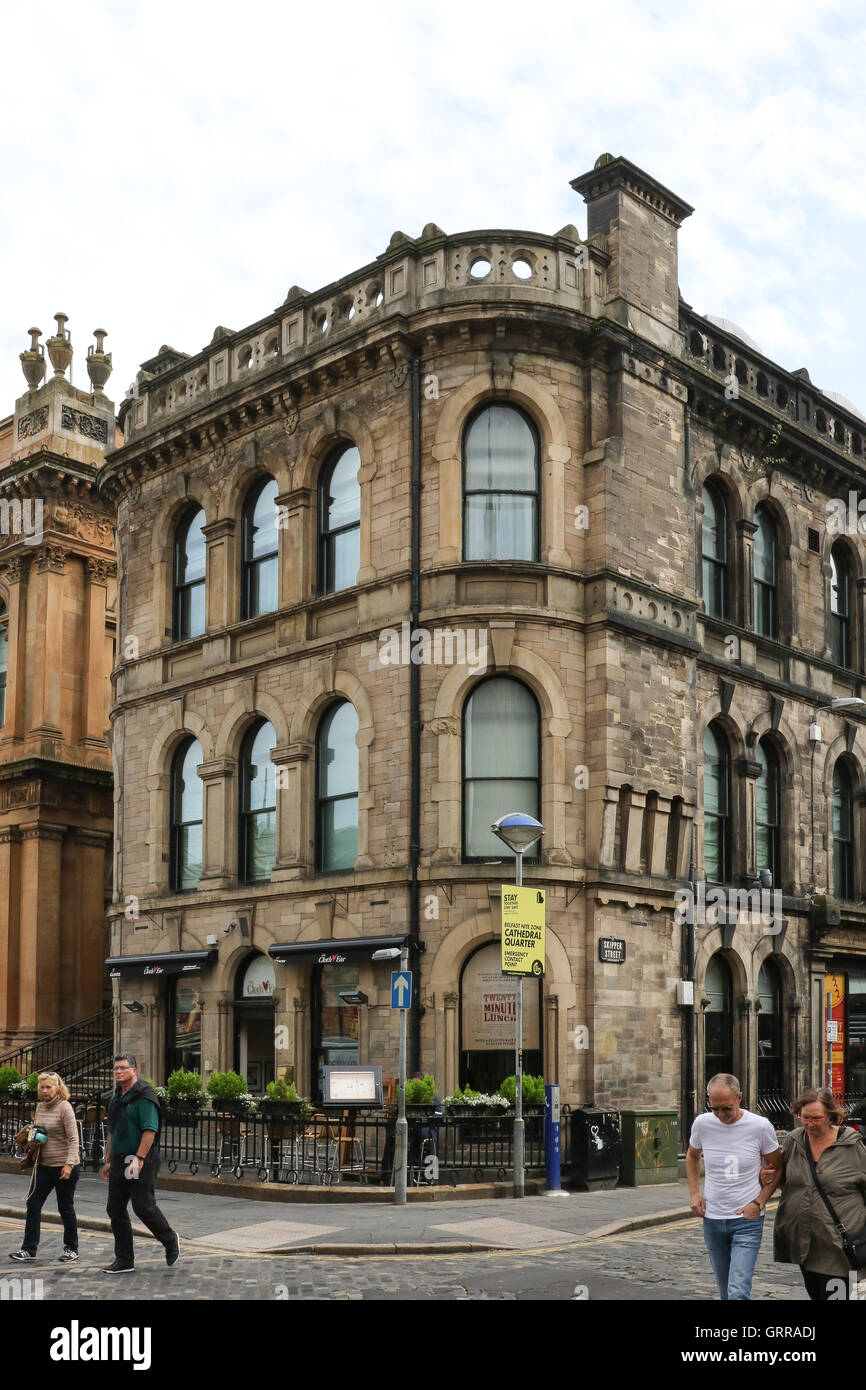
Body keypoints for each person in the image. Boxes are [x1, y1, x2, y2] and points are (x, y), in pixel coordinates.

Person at [760, 1087, 866, 1301]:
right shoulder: (794, 1141)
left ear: (831, 1115)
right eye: (804, 1118)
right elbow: (789, 1182)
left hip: (839, 1246)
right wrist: (768, 1178)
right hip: (806, 1242)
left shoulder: (851, 1145)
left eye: (816, 1118)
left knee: (837, 1297)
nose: (809, 1124)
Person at [685, 1072, 782, 1300]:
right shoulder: (702, 1124)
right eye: (714, 1108)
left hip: (746, 1221)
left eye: (726, 1108)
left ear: (739, 1098)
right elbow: (692, 1156)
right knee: (725, 1292)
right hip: (712, 1219)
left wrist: (758, 1203)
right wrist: (694, 1193)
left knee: (738, 1292)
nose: (720, 1115)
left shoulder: (760, 1126)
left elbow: (777, 1167)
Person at [101, 1053, 179, 1273]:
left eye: (123, 1068)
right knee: (114, 1208)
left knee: (143, 1207)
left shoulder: (144, 1096)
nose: (118, 1072)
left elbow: (149, 1130)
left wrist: (140, 1158)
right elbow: (112, 1131)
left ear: (134, 1071)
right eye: (115, 1068)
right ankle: (124, 1259)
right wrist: (107, 1160)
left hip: (140, 1159)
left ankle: (170, 1239)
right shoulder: (116, 1098)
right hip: (119, 1159)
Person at [9, 1071, 80, 1264]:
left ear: (58, 1088)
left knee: (65, 1207)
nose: (45, 1090)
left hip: (64, 1166)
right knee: (33, 1204)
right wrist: (31, 1141)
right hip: (44, 1165)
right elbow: (41, 1135)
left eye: (49, 1087)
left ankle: (72, 1248)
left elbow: (74, 1139)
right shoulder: (40, 1107)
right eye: (42, 1087)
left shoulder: (64, 1107)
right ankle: (28, 1249)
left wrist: (69, 1164)